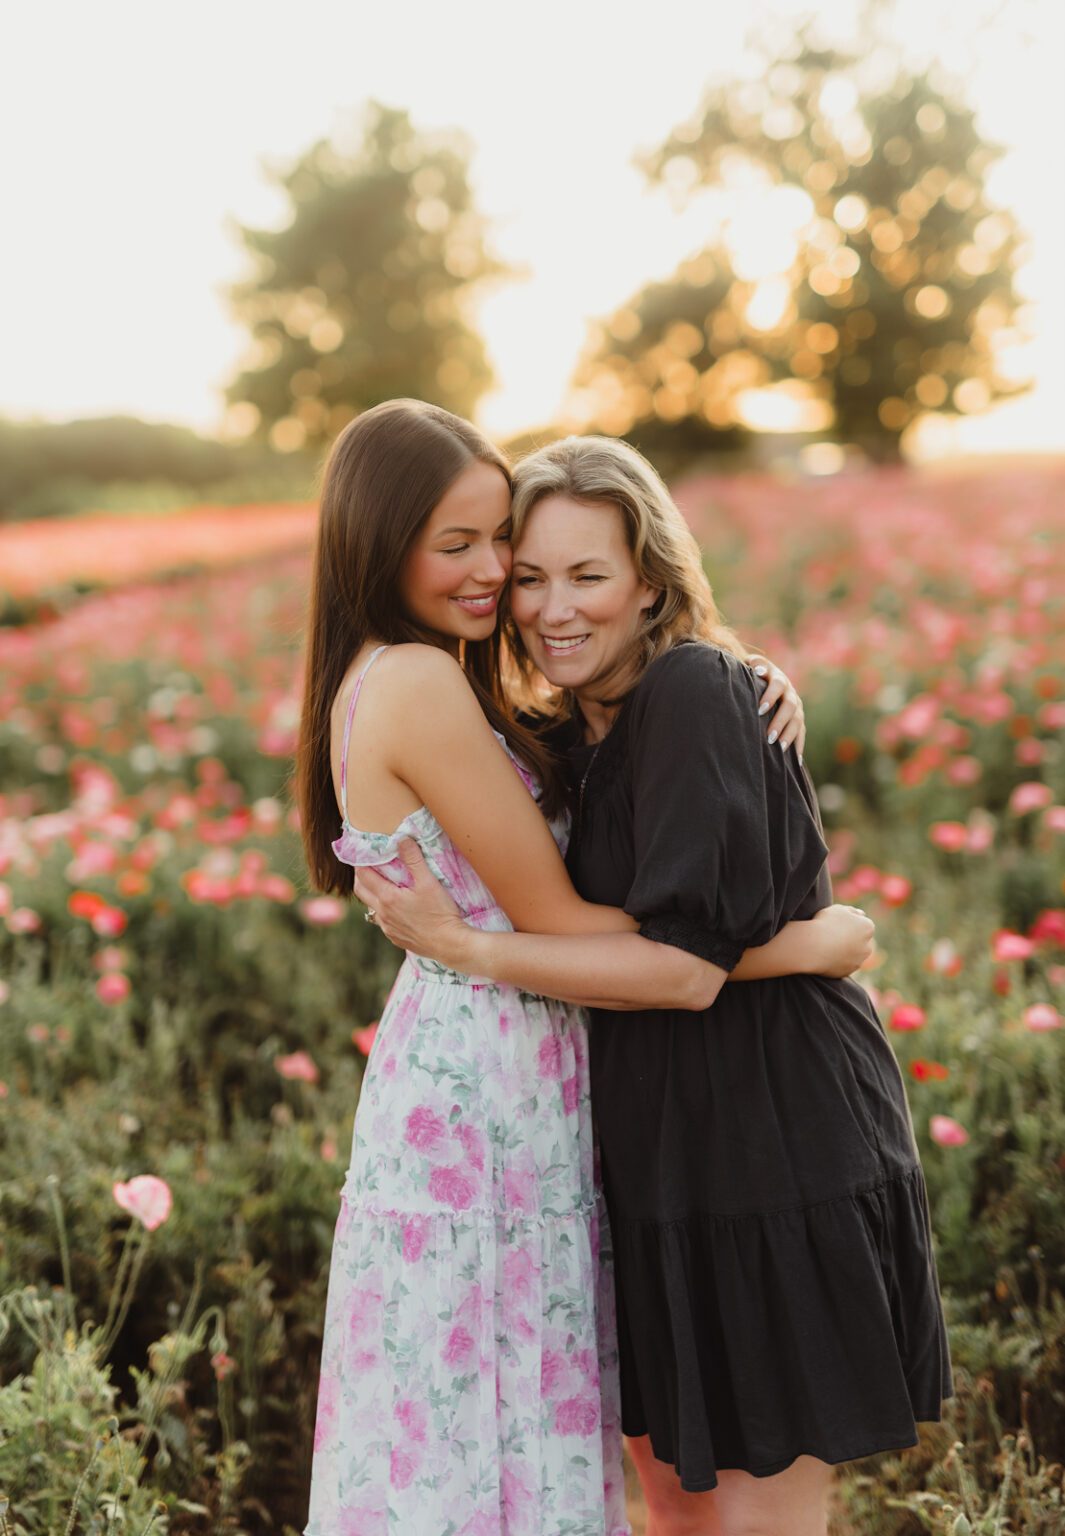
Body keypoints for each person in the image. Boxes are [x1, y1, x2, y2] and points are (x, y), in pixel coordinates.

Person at [354, 435, 952, 1536]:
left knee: (761, 1523)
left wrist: (469, 950)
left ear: (650, 581)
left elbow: (682, 968)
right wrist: (805, 941)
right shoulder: (569, 733)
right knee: (678, 1516)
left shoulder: (692, 689)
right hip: (651, 1147)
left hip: (767, 1133)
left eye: (587, 576)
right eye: (528, 575)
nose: (547, 606)